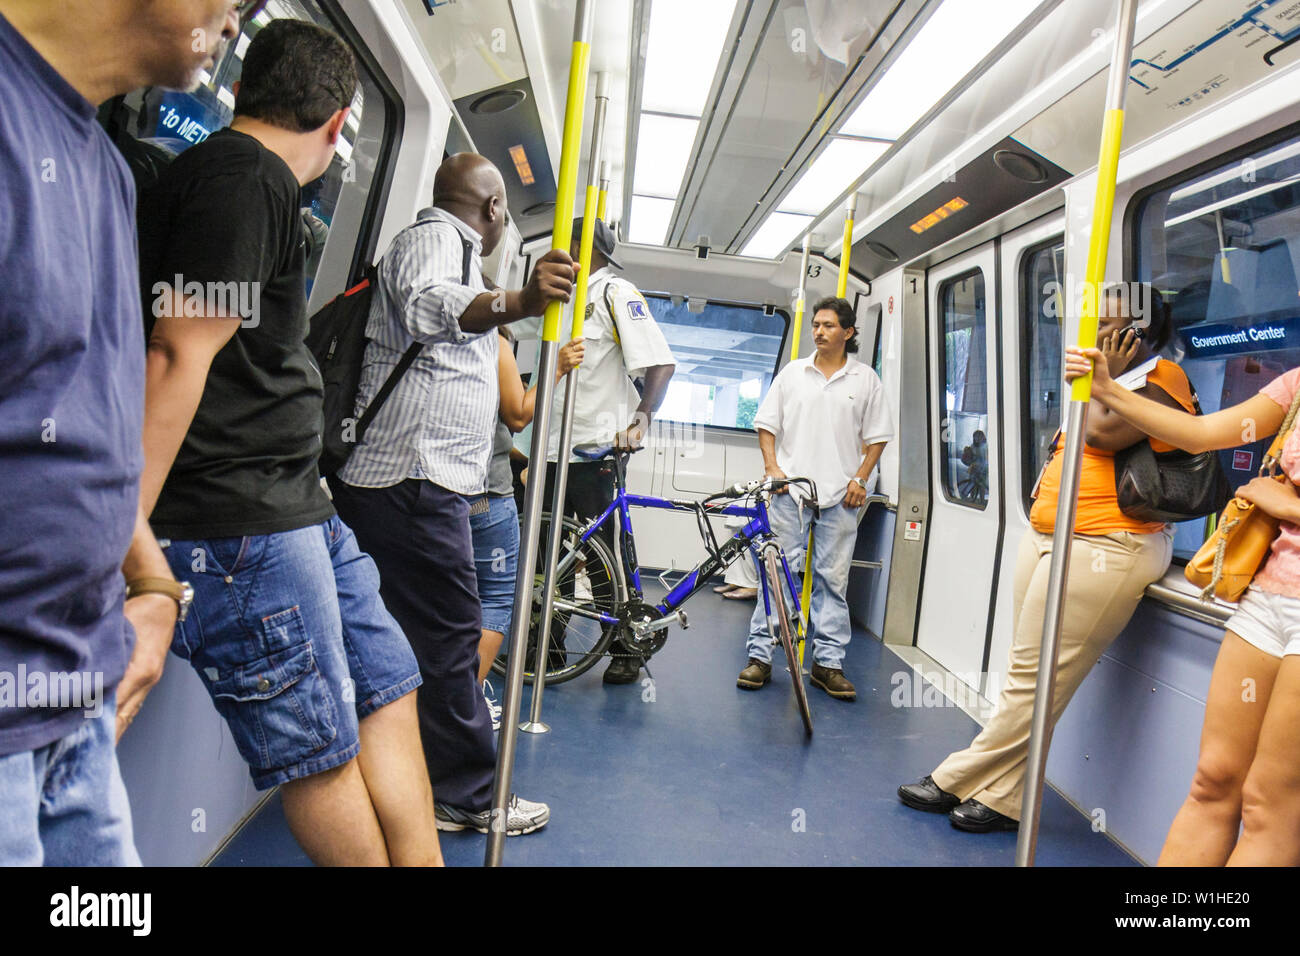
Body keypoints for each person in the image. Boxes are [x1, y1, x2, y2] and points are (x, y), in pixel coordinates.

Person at [132, 18, 442, 866]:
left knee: (388, 686)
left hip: (296, 504)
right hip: (238, 523)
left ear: (243, 87)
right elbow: (175, 353)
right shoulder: (245, 181)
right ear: (341, 122)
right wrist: (126, 544)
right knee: (320, 753)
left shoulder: (243, 182)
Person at [0, 0, 246, 868]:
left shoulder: (104, 170)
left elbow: (82, 416)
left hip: (76, 706)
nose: (236, 14)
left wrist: (149, 579)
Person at [329, 152, 575, 836]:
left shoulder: (463, 256)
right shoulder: (435, 239)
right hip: (410, 480)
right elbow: (429, 306)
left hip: (419, 483)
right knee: (448, 640)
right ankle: (469, 795)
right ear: (495, 210)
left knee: (415, 640)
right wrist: (520, 302)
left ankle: (413, 775)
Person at [898, 284, 1193, 832]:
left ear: (1137, 330)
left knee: (1033, 683)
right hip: (1049, 537)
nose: (1094, 323)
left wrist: (1097, 379)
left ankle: (954, 776)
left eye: (1109, 317)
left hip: (1107, 545)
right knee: (1029, 678)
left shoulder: (1161, 380)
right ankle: (1008, 799)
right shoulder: (1105, 376)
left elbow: (1100, 434)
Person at [1064, 332, 1300, 866]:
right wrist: (1109, 388)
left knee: (1268, 803)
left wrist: (1288, 506)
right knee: (1214, 779)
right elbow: (1197, 435)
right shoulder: (1296, 387)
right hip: (1267, 600)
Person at [543, 217, 677, 684]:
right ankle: (550, 647)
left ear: (581, 247)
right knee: (546, 553)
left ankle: (625, 647)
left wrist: (639, 423)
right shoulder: (559, 295)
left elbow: (660, 363)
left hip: (595, 451)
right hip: (547, 449)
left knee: (605, 556)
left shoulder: (614, 293)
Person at [739, 297, 892, 701]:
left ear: (848, 333)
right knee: (777, 575)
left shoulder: (865, 380)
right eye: (816, 325)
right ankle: (760, 657)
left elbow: (877, 437)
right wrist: (773, 469)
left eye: (827, 325)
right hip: (792, 492)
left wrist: (862, 477)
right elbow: (767, 425)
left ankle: (827, 664)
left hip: (842, 495)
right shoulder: (793, 374)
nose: (819, 331)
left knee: (832, 581)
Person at [474, 328, 584, 729]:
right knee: (496, 597)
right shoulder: (490, 341)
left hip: (428, 492)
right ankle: (466, 701)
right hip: (484, 491)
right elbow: (518, 414)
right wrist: (554, 368)